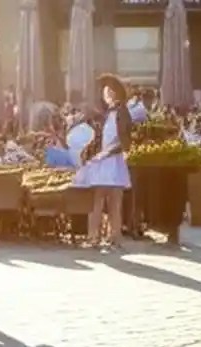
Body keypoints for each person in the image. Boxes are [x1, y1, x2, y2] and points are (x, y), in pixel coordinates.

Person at [73, 74, 132, 250]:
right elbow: (100, 137)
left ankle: (115, 237)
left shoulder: (122, 112)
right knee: (97, 201)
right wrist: (89, 150)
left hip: (113, 162)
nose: (108, 95)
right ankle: (94, 236)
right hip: (102, 162)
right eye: (106, 92)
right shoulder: (107, 114)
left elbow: (124, 140)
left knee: (113, 202)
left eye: (110, 92)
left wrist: (106, 153)